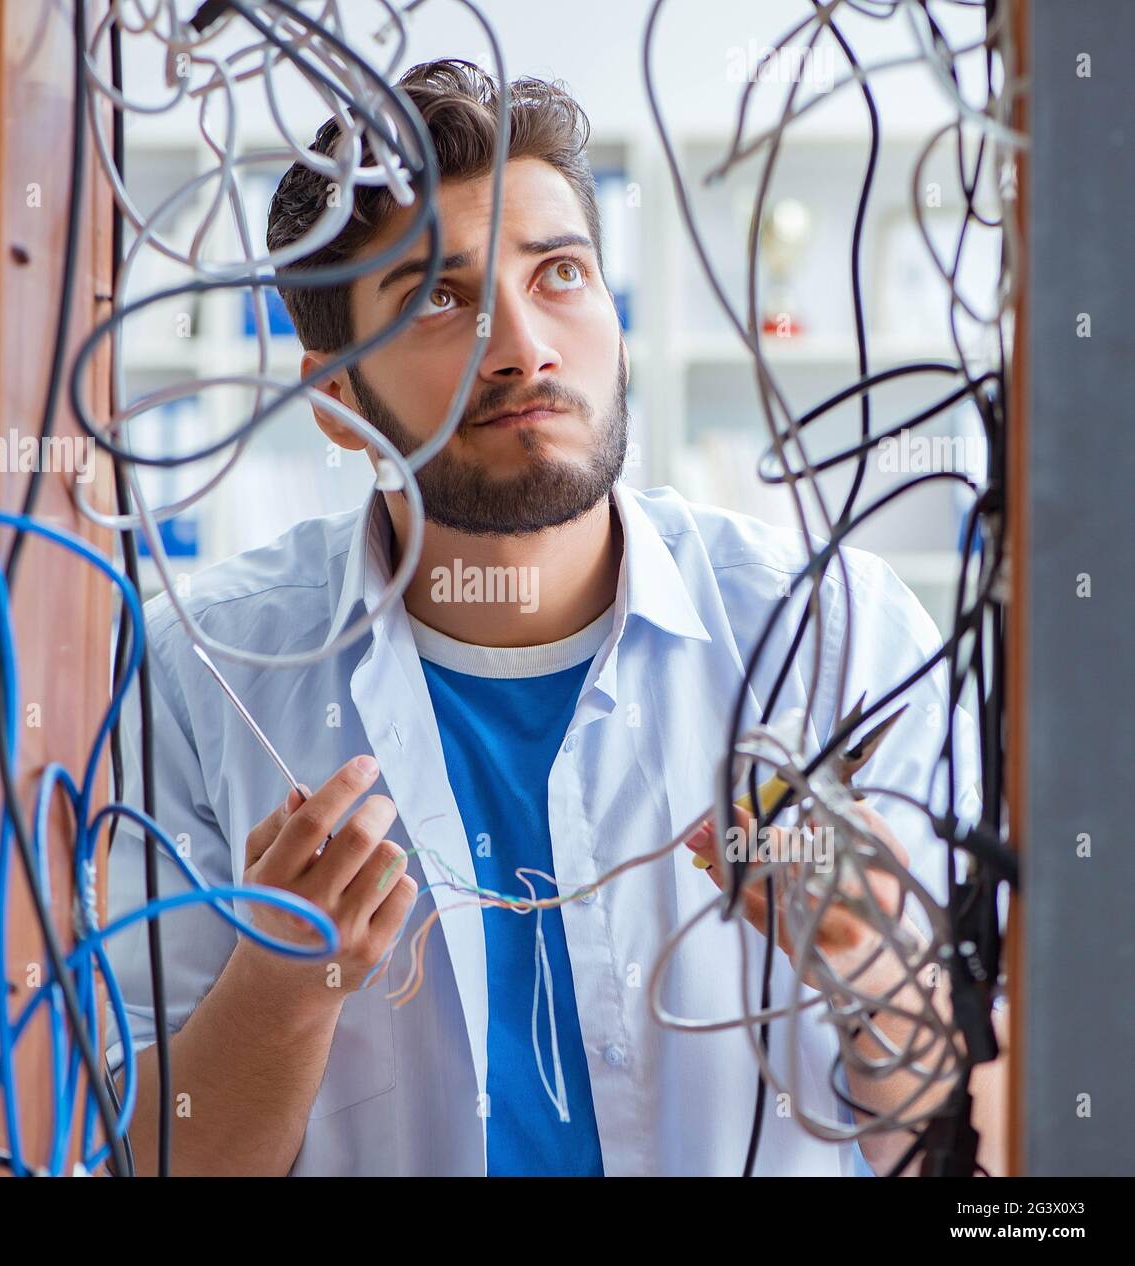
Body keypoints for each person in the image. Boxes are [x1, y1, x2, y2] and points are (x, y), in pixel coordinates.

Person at [106, 59, 1001, 1177]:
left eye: (561, 273)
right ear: (338, 406)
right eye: (440, 297)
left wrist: (873, 961)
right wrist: (281, 990)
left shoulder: (837, 637)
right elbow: (156, 1165)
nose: (523, 345)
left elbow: (990, 1162)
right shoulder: (199, 673)